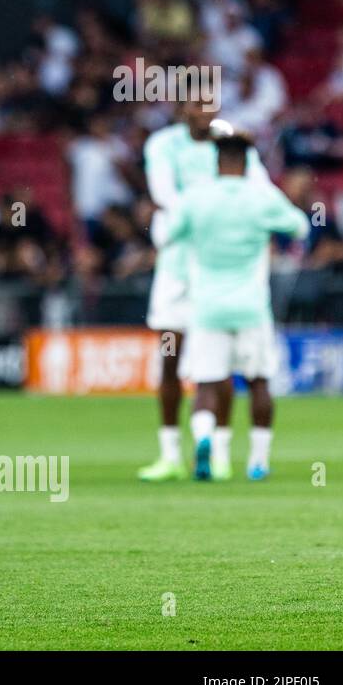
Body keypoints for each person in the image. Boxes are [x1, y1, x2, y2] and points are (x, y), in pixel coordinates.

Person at [158, 132, 309, 481]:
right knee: (259, 381)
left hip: (207, 305)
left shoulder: (196, 198)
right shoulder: (262, 197)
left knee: (208, 384)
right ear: (247, 162)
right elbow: (300, 227)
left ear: (216, 161)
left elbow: (168, 236)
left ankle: (205, 438)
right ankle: (258, 462)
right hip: (251, 306)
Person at [138, 98, 269, 483]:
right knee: (169, 355)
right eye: (197, 105)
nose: (206, 113)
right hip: (178, 269)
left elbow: (259, 188)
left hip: (216, 271)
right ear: (182, 108)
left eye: (211, 104)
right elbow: (163, 195)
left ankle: (220, 452)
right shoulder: (163, 145)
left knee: (217, 366)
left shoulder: (230, 142)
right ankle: (169, 455)